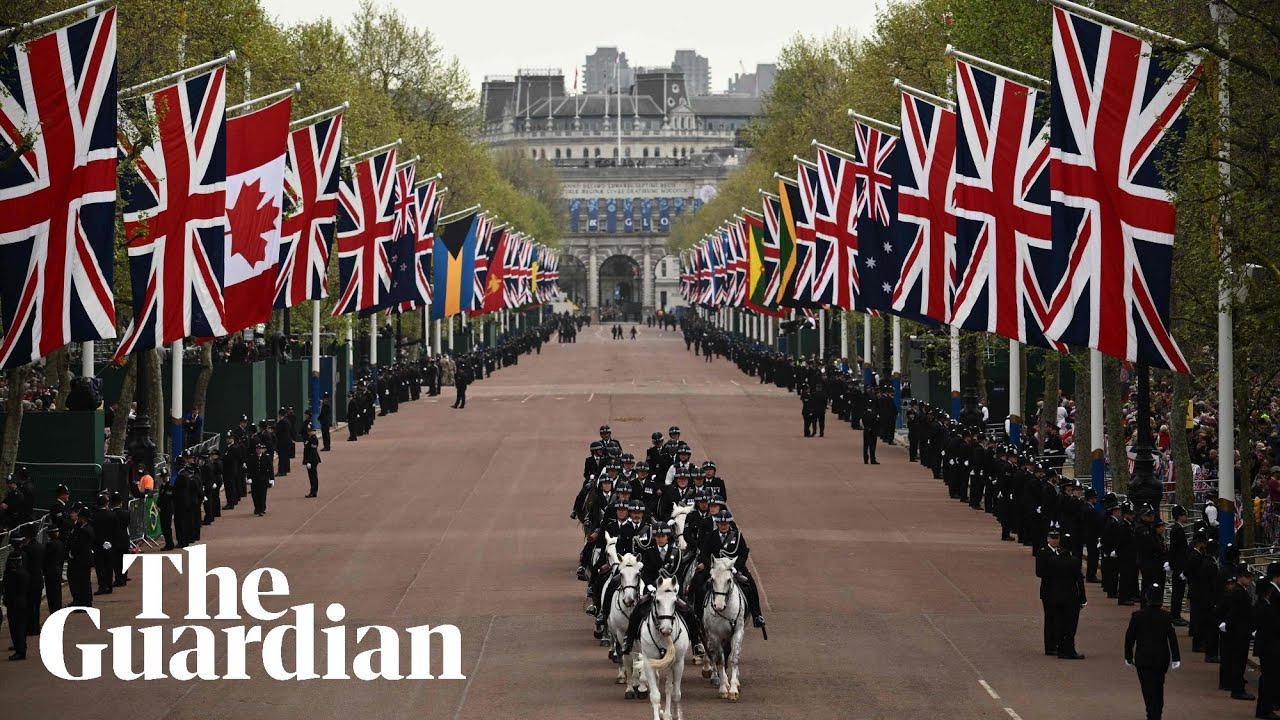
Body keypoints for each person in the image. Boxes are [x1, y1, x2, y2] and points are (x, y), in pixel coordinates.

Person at [1124, 583, 1181, 720]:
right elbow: (1172, 639)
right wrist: (1176, 658)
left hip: (1143, 658)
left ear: (1147, 597)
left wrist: (1128, 656)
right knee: (1158, 687)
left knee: (1148, 689)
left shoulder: (1137, 616)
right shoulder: (1166, 616)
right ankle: (1157, 713)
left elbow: (1129, 637)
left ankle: (1152, 715)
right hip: (1161, 658)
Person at [1255, 563, 1280, 720]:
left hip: (1269, 643)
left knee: (1270, 677)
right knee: (1269, 677)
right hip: (1270, 644)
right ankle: (1265, 709)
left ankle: (1267, 706)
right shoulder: (1269, 601)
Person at [4, 531, 31, 660]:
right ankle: (20, 646)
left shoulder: (13, 575)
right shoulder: (24, 573)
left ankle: (20, 649)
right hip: (23, 600)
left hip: (14, 602)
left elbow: (8, 586)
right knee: (20, 625)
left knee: (16, 626)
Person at [65, 503, 95, 608]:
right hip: (84, 558)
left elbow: (78, 544)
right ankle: (84, 600)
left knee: (80, 581)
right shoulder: (85, 528)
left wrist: (72, 552)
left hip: (81, 559)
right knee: (84, 580)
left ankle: (82, 601)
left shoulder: (84, 530)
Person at [248, 440, 275, 516]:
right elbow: (250, 469)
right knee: (255, 495)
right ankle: (257, 508)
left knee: (262, 494)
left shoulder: (267, 457)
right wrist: (249, 477)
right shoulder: (252, 457)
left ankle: (262, 509)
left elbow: (270, 469)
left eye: (260, 449)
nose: (259, 450)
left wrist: (272, 479)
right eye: (257, 448)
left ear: (263, 449)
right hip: (255, 479)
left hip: (263, 479)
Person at [303, 424, 322, 498]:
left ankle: (313, 491)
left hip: (312, 460)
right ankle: (313, 491)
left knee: (313, 476)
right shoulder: (310, 438)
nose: (309, 432)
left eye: (310, 431)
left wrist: (309, 461)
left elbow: (313, 451)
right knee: (311, 476)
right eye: (308, 431)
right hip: (310, 459)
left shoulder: (313, 439)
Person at [862, 400, 880, 464]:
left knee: (865, 446)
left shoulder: (864, 413)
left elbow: (863, 421)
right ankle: (872, 459)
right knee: (872, 446)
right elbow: (875, 423)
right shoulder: (874, 414)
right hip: (872, 431)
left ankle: (865, 459)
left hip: (866, 430)